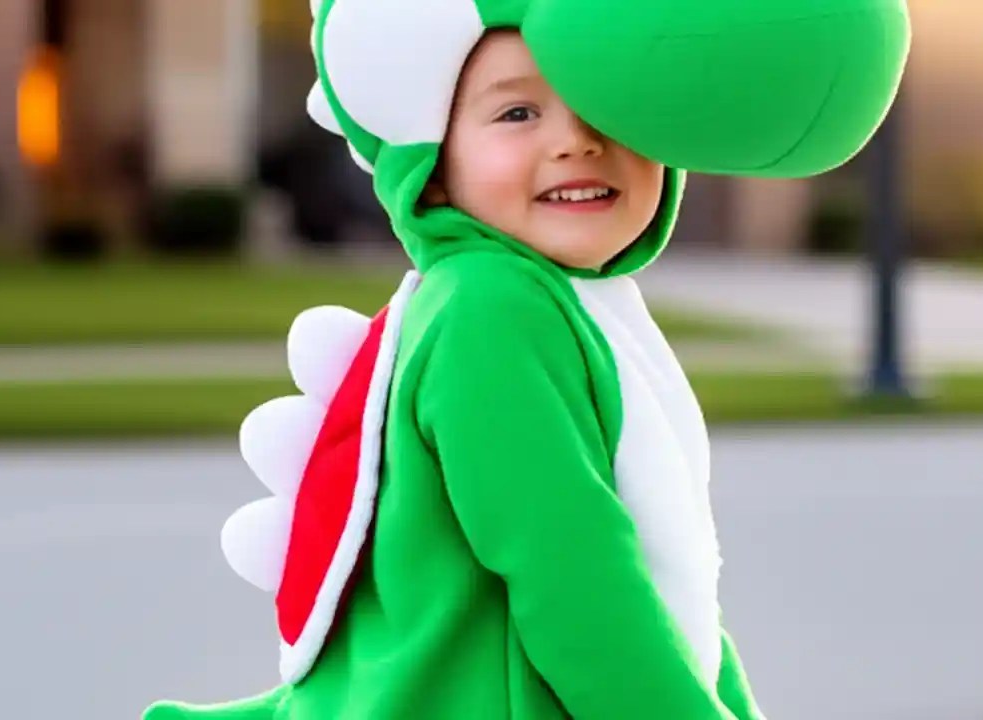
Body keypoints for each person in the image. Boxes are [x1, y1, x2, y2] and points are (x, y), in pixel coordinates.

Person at [144, 2, 909, 718]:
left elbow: (671, 588)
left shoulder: (562, 305)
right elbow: (573, 580)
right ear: (434, 165)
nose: (576, 139)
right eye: (517, 112)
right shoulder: (490, 309)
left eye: (603, 106)